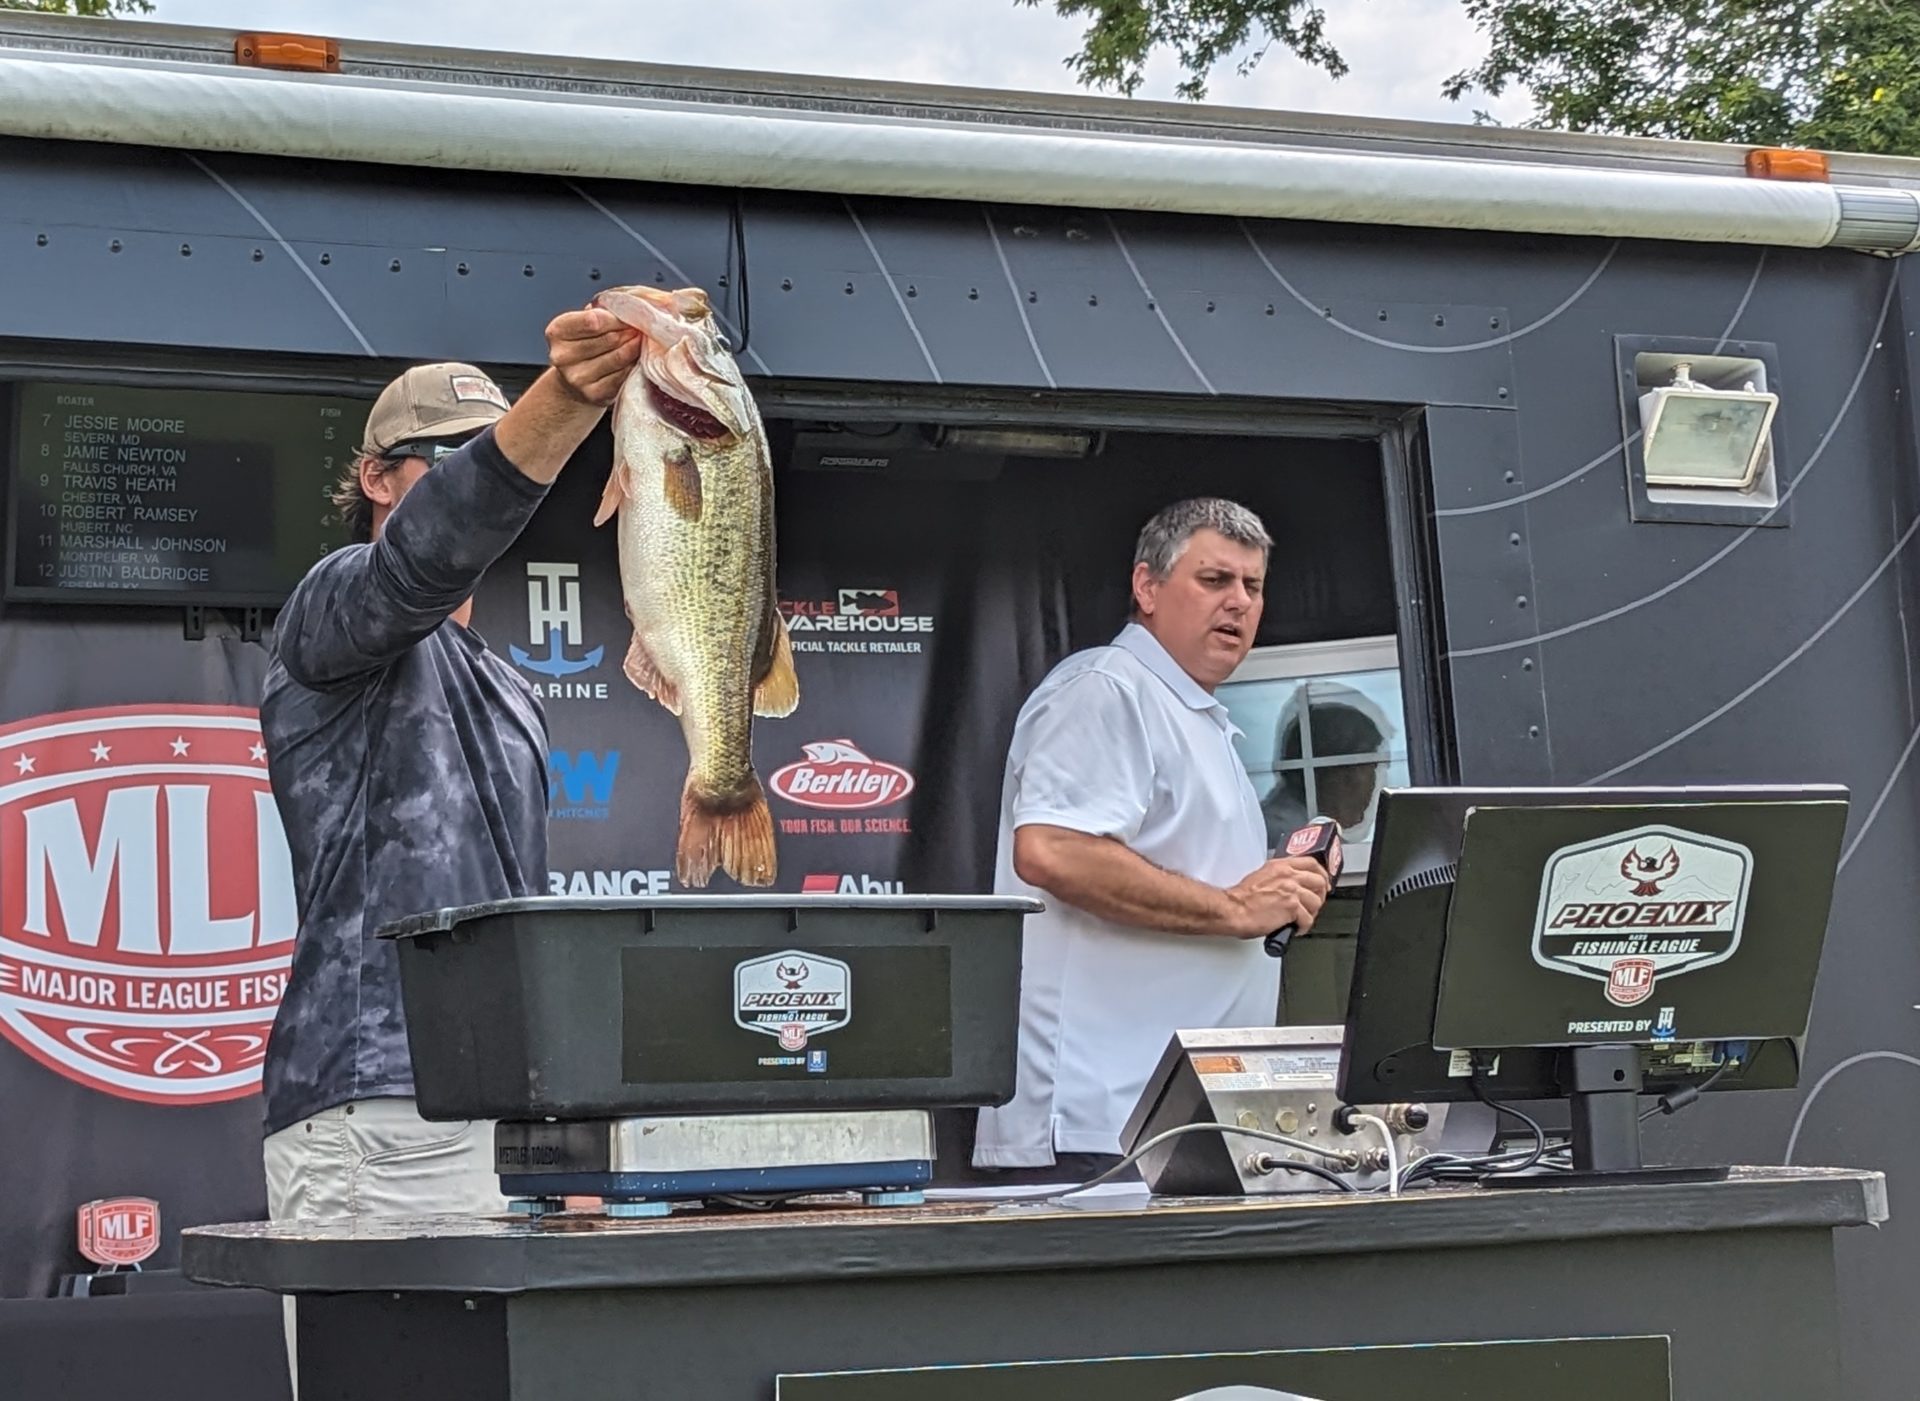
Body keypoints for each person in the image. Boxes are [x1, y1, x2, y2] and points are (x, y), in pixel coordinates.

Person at [257, 305, 642, 1232]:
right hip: (379, 1104)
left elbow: (524, 938)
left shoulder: (510, 686)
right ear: (377, 478)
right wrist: (560, 397)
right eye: (447, 454)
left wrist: (565, 1120)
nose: (477, 468)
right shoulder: (335, 605)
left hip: (506, 1119)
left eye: (489, 447)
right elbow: (420, 564)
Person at [972, 497, 1331, 1183]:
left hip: (1179, 1125)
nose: (1239, 602)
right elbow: (1051, 849)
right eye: (1214, 580)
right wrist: (1234, 909)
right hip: (1100, 1124)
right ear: (1147, 586)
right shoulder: (1107, 687)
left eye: (1253, 586)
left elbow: (1208, 881)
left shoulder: (1190, 709)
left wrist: (1279, 881)